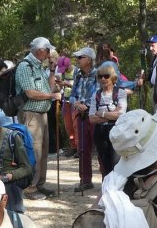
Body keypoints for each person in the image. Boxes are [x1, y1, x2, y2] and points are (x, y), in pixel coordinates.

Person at [15, 37, 63, 198]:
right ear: (40, 50)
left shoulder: (39, 67)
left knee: (43, 151)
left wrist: (51, 71)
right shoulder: (25, 67)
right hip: (31, 115)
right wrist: (52, 95)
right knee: (32, 151)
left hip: (42, 115)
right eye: (48, 50)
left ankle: (39, 184)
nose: (49, 53)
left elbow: (48, 87)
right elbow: (30, 93)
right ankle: (30, 186)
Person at [88, 61, 128, 184]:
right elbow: (91, 118)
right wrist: (112, 115)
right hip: (100, 133)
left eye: (106, 76)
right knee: (104, 162)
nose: (103, 79)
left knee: (117, 161)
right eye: (100, 76)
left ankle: (119, 188)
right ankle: (107, 188)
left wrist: (102, 113)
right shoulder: (96, 94)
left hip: (116, 131)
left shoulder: (120, 93)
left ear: (113, 77)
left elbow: (121, 115)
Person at [68, 47, 99, 192]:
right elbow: (72, 93)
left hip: (95, 115)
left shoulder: (98, 74)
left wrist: (85, 104)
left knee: (100, 148)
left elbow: (98, 94)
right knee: (82, 149)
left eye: (81, 57)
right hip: (80, 114)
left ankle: (107, 179)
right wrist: (76, 103)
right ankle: (85, 180)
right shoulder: (78, 75)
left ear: (89, 59)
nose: (78, 60)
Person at [135, 34, 157, 110]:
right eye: (150, 46)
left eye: (153, 46)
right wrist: (144, 77)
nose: (150, 48)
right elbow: (152, 75)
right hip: (156, 92)